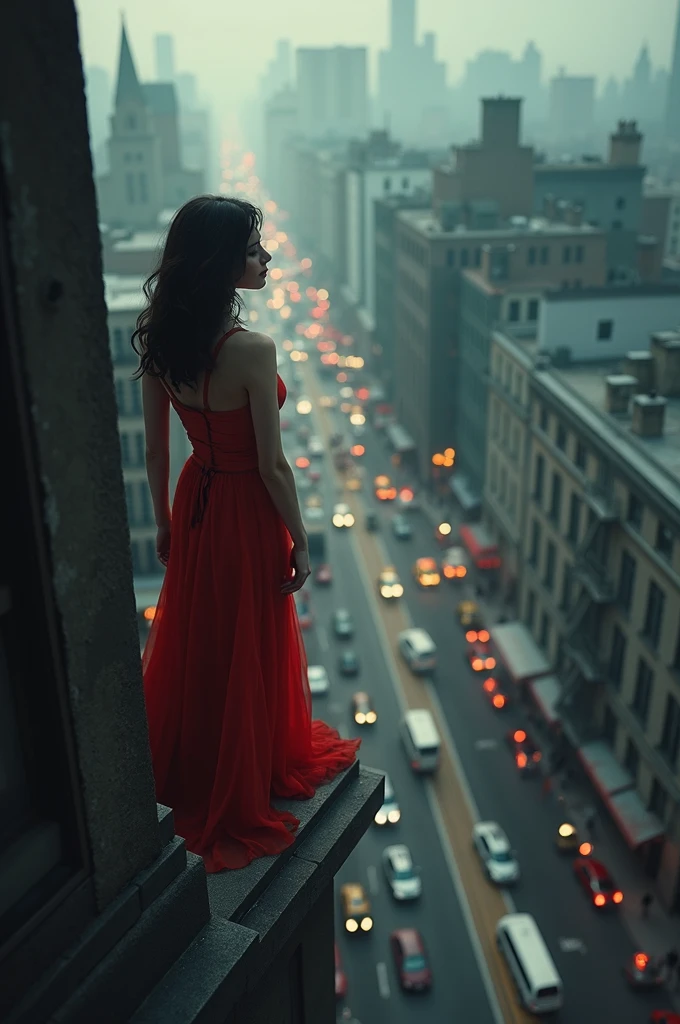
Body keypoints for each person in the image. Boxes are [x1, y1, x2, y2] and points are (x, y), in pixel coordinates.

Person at [134, 195, 360, 872]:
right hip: (246, 509)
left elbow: (154, 452)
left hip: (196, 499)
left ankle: (198, 766)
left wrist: (166, 526)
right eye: (254, 249)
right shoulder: (252, 351)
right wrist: (301, 538)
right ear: (221, 263)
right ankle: (247, 772)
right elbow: (272, 464)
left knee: (202, 639)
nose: (266, 258)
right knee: (249, 639)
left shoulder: (159, 337)